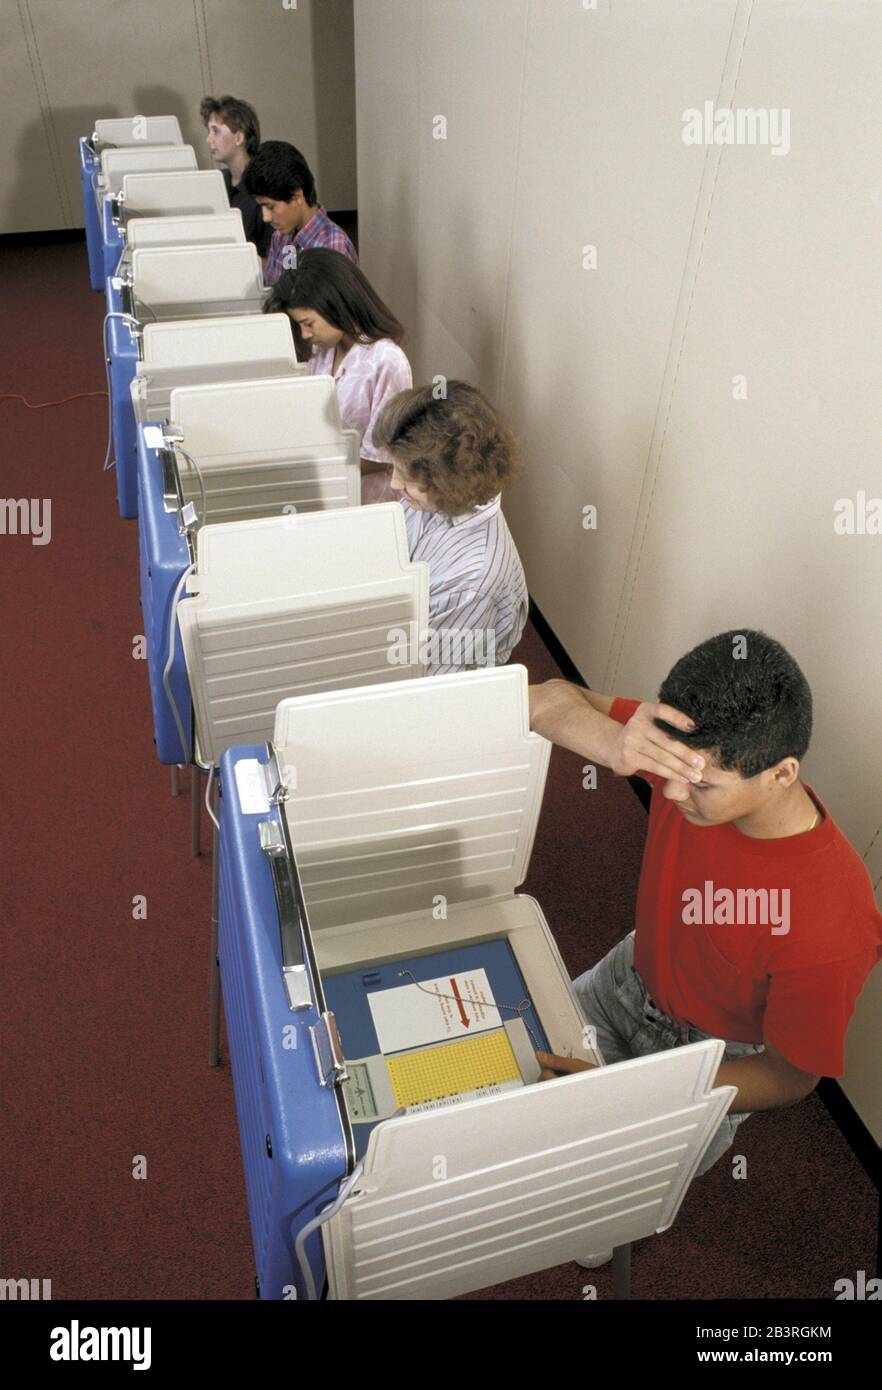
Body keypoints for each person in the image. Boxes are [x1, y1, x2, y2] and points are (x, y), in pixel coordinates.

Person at [529, 629, 882, 1261]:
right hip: (626, 980)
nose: (667, 792)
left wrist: (642, 1093)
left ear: (781, 774)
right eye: (664, 766)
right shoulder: (687, 760)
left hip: (707, 1061)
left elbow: (788, 1076)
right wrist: (617, 741)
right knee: (520, 1090)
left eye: (699, 785)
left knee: (587, 1228)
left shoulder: (833, 924)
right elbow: (545, 697)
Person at [372, 382, 529, 675]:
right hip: (403, 626)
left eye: (405, 477)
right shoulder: (436, 500)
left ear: (446, 481)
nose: (394, 484)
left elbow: (430, 678)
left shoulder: (471, 579)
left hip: (425, 670)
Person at [266, 248, 411, 503]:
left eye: (308, 323)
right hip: (328, 484)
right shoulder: (323, 350)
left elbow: (379, 456)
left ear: (336, 305)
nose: (305, 335)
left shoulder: (386, 361)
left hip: (367, 496)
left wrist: (314, 461)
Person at [242, 140, 357, 286]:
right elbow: (275, 292)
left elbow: (335, 307)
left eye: (270, 207)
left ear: (297, 196)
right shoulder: (281, 238)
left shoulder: (333, 247)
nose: (265, 217)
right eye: (261, 207)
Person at [199, 95, 271, 259]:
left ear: (239, 137)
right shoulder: (218, 181)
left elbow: (277, 259)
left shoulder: (264, 187)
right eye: (209, 131)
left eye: (215, 131)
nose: (208, 139)